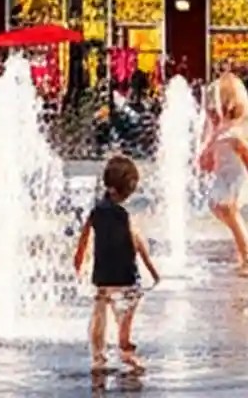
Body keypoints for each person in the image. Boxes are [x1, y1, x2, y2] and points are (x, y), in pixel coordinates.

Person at [72, 155, 160, 373]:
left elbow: (83, 241)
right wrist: (152, 269)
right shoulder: (123, 215)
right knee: (129, 306)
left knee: (100, 311)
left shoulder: (95, 211)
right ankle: (125, 346)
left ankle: (98, 356)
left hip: (102, 275)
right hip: (124, 274)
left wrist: (79, 262)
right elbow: (137, 243)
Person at [198, 73, 248, 275]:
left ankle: (247, 254)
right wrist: (204, 160)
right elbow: (208, 162)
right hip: (224, 178)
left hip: (238, 177)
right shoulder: (218, 134)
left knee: (228, 209)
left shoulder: (234, 135)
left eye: (213, 110)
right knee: (218, 207)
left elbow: (245, 155)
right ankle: (241, 247)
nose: (211, 115)